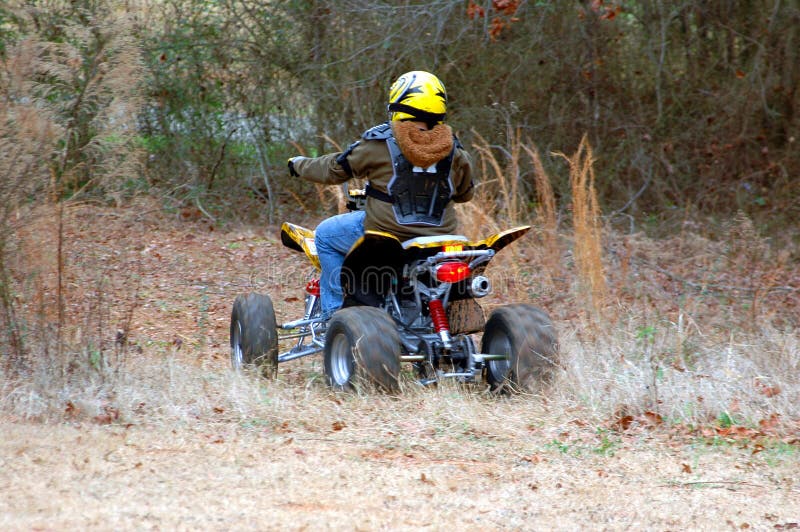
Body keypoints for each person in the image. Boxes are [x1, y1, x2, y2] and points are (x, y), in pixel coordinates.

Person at [288, 70, 475, 318]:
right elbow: (465, 194)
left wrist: (299, 164)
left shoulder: (379, 143)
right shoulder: (455, 150)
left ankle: (334, 316)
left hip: (388, 235)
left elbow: (334, 170)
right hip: (440, 240)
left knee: (324, 234)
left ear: (399, 103)